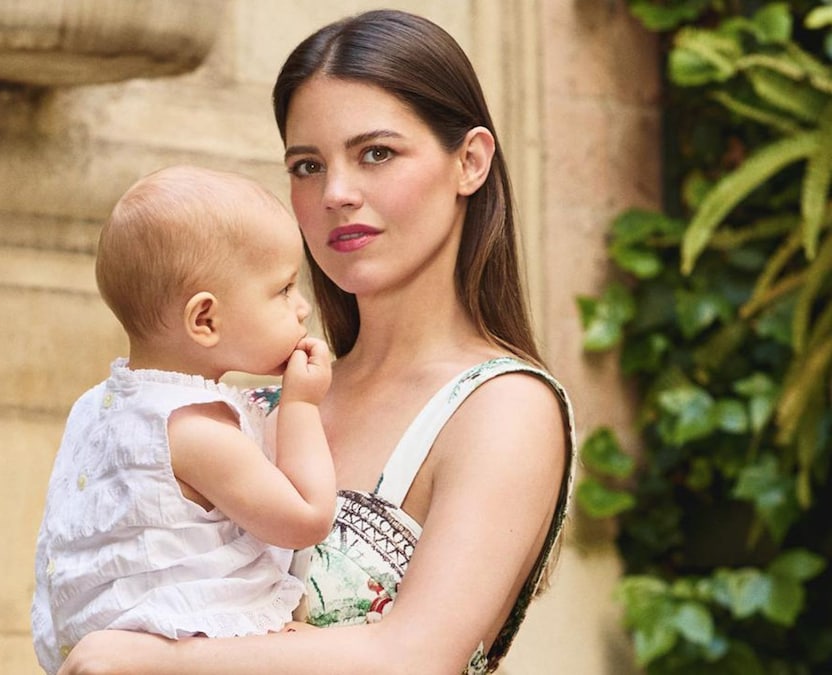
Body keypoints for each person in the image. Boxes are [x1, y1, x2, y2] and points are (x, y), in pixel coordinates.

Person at [56, 9, 576, 675]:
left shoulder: (503, 407)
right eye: (307, 165)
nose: (336, 193)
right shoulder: (263, 404)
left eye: (376, 153)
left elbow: (414, 657)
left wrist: (155, 660)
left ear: (469, 161)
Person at [31, 165, 337, 675]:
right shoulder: (194, 431)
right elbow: (304, 518)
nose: (302, 307)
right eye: (282, 289)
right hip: (181, 648)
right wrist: (302, 406)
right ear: (205, 320)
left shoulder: (97, 407)